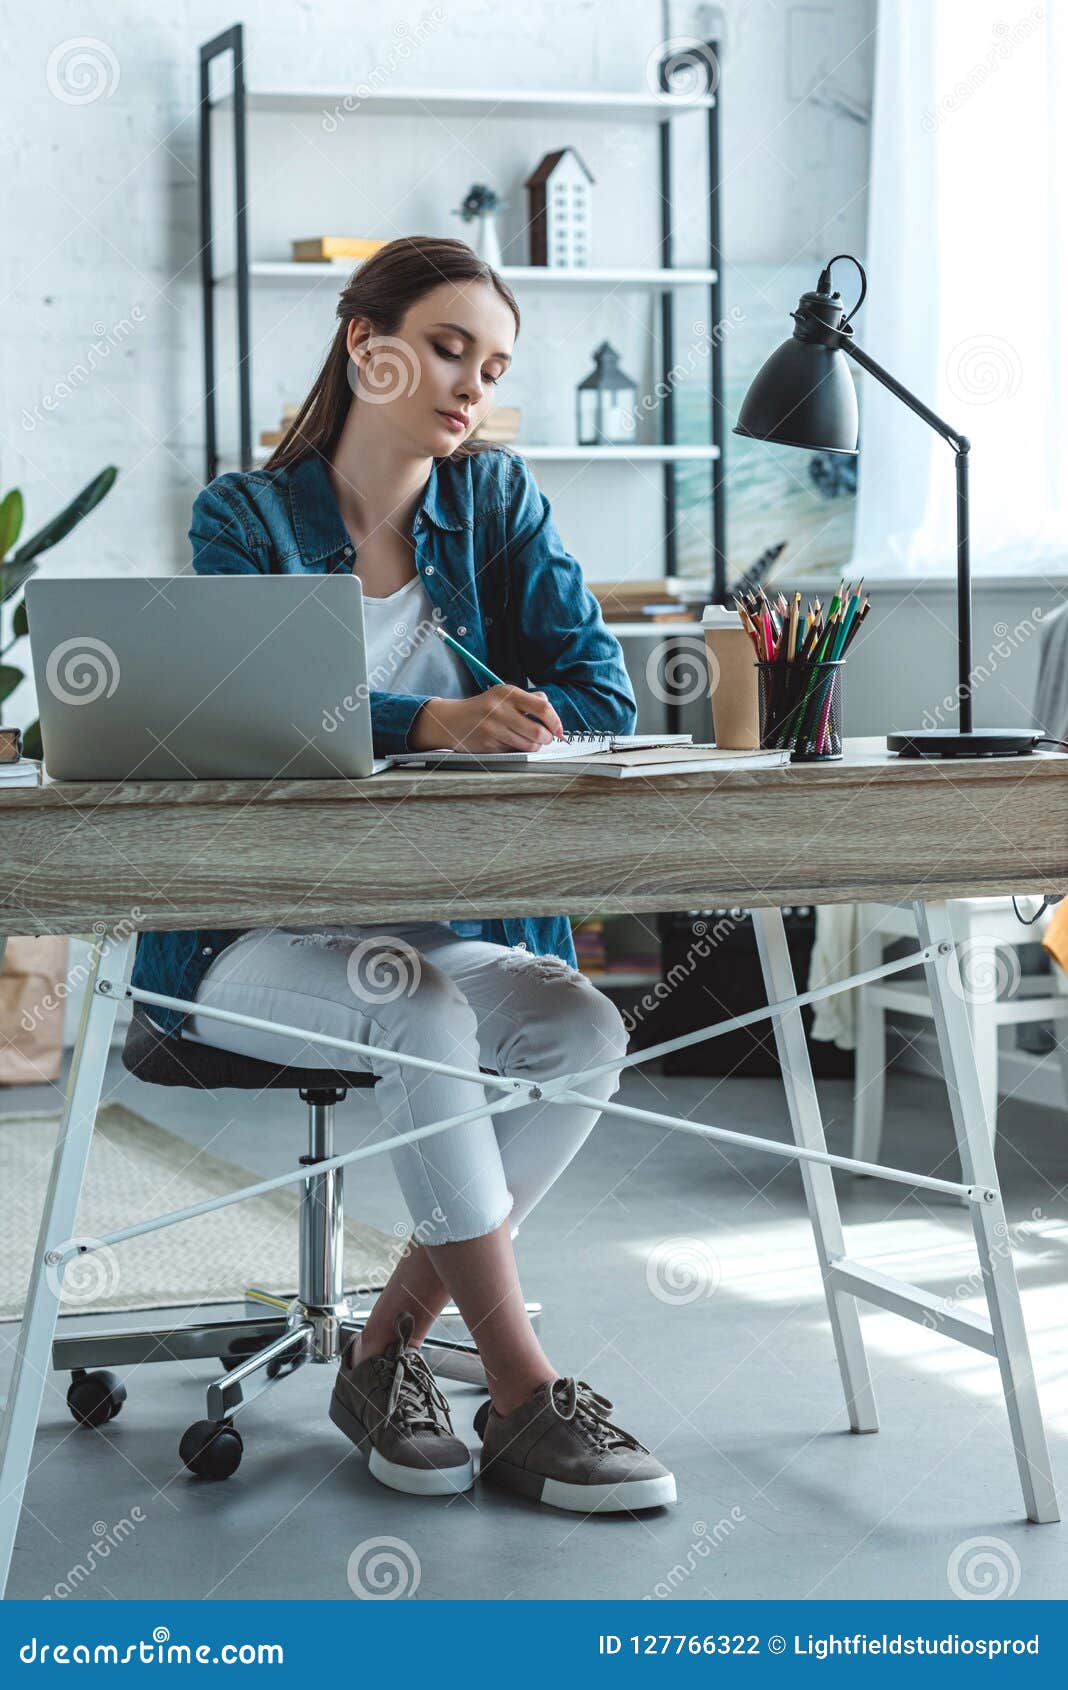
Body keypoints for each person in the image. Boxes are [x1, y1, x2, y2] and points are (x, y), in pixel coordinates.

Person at [131, 236, 676, 1514]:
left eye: (490, 366)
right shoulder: (247, 518)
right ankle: (525, 1389)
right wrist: (424, 721)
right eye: (444, 347)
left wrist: (493, 708)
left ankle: (377, 1355)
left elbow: (601, 691)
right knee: (416, 1007)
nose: (470, 385)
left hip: (445, 920)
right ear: (362, 340)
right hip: (254, 936)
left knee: (581, 1027)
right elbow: (242, 712)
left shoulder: (496, 504)